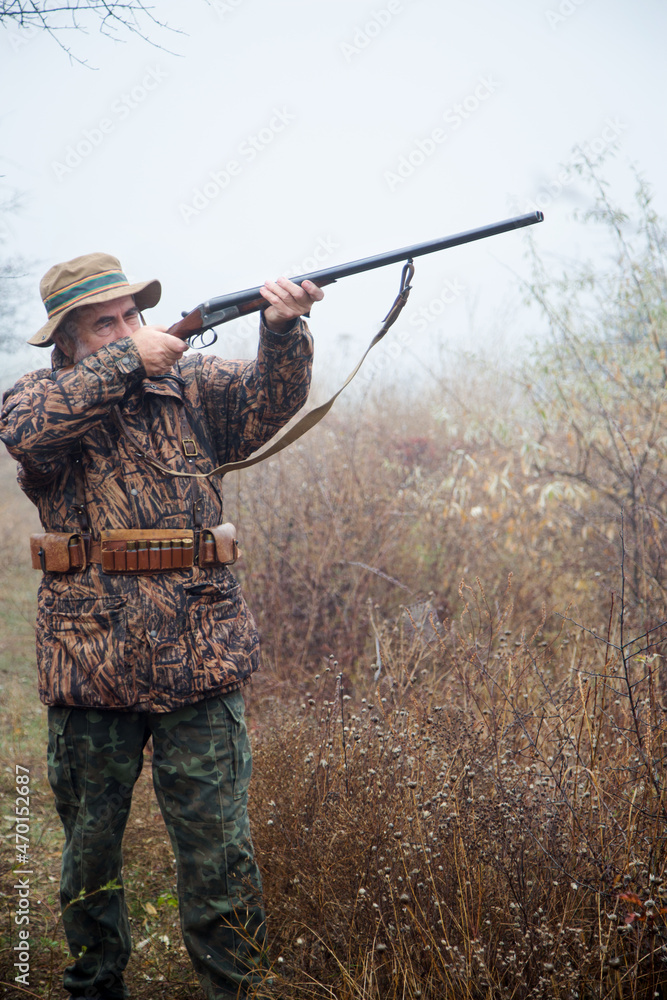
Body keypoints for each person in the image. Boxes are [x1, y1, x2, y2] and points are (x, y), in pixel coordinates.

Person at [0, 251, 324, 1000]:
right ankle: (94, 986)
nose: (126, 330)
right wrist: (123, 363)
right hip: (89, 659)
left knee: (219, 854)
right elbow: (25, 433)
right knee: (88, 855)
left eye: (132, 317)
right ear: (69, 339)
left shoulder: (190, 384)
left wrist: (281, 331)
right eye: (103, 323)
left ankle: (233, 988)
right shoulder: (42, 396)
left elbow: (263, 407)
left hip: (201, 655)